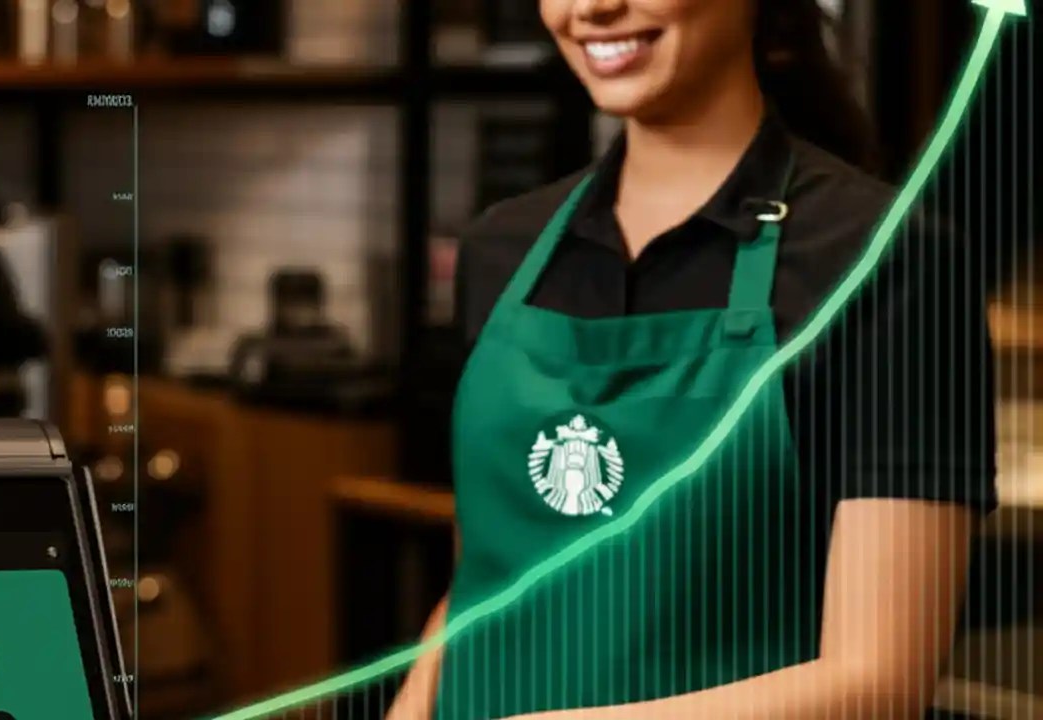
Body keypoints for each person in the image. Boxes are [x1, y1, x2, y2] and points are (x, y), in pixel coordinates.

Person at [388, 0, 998, 718]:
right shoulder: (501, 248)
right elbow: (485, 576)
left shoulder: (890, 260)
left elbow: (877, 683)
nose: (593, 8)